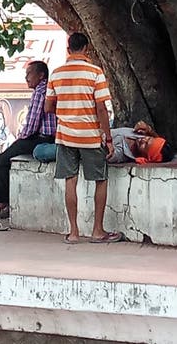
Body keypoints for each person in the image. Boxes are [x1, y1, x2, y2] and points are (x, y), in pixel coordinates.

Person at [45, 32, 123, 244]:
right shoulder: (95, 72)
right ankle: (98, 230)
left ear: (68, 49)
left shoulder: (57, 74)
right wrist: (108, 138)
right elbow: (101, 108)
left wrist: (67, 114)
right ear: (86, 49)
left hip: (65, 136)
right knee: (100, 179)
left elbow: (48, 106)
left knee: (71, 181)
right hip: (90, 136)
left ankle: (73, 232)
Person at [0, 60, 57, 219]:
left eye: (29, 74)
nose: (26, 78)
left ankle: (3, 203)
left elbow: (32, 123)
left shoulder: (40, 91)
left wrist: (20, 138)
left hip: (42, 139)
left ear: (41, 75)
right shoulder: (49, 89)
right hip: (50, 137)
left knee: (0, 161)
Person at [107, 121, 175, 165]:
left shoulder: (119, 154)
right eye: (148, 138)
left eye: (145, 145)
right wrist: (149, 129)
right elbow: (156, 141)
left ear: (144, 156)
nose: (143, 140)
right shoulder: (141, 134)